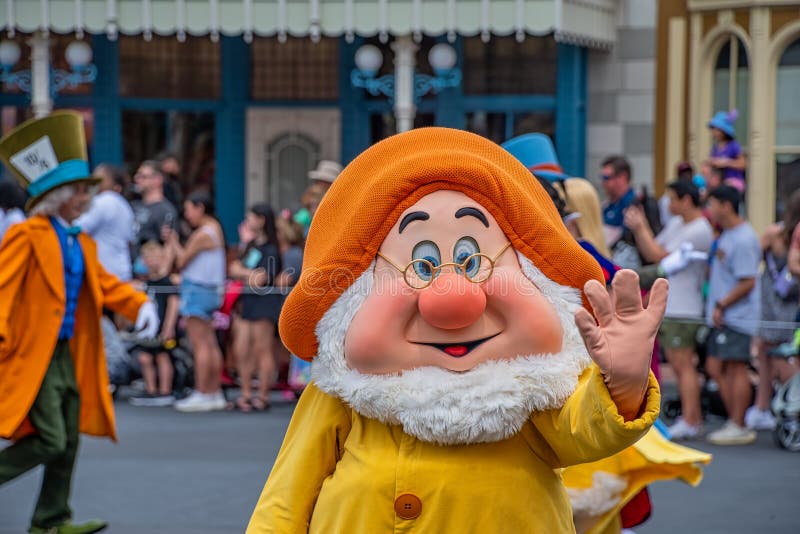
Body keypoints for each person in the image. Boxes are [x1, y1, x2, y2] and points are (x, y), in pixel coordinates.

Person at [248, 127, 677, 533]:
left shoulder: (533, 386)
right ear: (354, 299)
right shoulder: (342, 396)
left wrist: (623, 385)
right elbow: (285, 502)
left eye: (474, 261)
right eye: (421, 266)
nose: (453, 300)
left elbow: (585, 434)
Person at [0, 111, 158, 534]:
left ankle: (51, 519)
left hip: (69, 353)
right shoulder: (26, 235)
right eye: (81, 191)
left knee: (68, 439)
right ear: (60, 195)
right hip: (33, 353)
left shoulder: (79, 241)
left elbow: (105, 284)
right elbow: (3, 289)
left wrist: (139, 304)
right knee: (51, 438)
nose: (87, 197)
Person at [625, 181, 714, 440]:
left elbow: (658, 256)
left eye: (673, 199)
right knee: (678, 365)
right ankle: (690, 418)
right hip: (671, 304)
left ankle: (691, 419)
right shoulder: (678, 223)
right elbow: (652, 251)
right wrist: (641, 228)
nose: (669, 204)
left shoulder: (700, 229)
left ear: (686, 200)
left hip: (685, 308)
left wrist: (640, 226)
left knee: (683, 365)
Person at [704, 185, 761, 445]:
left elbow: (748, 280)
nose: (709, 209)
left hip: (737, 316)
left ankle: (738, 424)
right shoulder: (728, 234)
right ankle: (735, 420)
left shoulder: (744, 238)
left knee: (736, 367)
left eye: (712, 203)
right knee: (715, 367)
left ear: (726, 205)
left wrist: (722, 304)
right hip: (724, 316)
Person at [163, 191, 227, 412]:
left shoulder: (203, 233)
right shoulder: (215, 229)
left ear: (200, 207)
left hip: (198, 290)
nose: (187, 215)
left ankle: (202, 392)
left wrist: (172, 241)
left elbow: (182, 260)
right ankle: (213, 391)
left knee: (200, 344)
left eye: (189, 209)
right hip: (209, 290)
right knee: (210, 343)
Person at [748, 190, 800, 430]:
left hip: (773, 298)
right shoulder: (786, 235)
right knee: (780, 352)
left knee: (770, 353)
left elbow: (753, 257)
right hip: (792, 299)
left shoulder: (775, 233)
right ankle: (774, 405)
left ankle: (768, 405)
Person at [229, 204, 282, 412]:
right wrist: (247, 274)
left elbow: (261, 279)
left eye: (251, 217)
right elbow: (233, 268)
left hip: (264, 302)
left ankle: (263, 395)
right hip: (247, 301)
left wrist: (243, 273)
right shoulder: (251, 246)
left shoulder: (271, 249)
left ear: (261, 220)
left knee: (262, 348)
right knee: (242, 348)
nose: (247, 221)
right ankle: (246, 393)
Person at [128, 241, 180, 407]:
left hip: (164, 326)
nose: (151, 261)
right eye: (148, 258)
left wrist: (169, 327)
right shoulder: (146, 284)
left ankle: (165, 391)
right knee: (145, 357)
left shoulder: (167, 282)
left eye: (155, 257)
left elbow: (173, 304)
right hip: (149, 330)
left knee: (163, 356)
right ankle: (151, 390)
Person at [74, 164, 135, 281]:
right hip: (123, 271)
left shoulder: (105, 200)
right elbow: (130, 242)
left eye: (99, 179)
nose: (93, 182)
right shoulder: (126, 206)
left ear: (113, 183)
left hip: (105, 274)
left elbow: (77, 228)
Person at [131, 160, 178, 266]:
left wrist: (161, 272)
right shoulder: (133, 206)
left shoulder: (165, 210)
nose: (137, 179)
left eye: (143, 176)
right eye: (137, 175)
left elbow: (169, 246)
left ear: (157, 180)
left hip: (148, 270)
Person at [708, 110, 747, 194]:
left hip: (734, 182)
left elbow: (743, 164)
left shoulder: (733, 145)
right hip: (719, 181)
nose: (714, 132)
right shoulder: (715, 147)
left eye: (716, 129)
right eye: (713, 129)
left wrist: (726, 162)